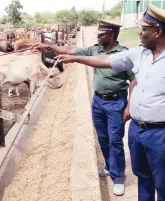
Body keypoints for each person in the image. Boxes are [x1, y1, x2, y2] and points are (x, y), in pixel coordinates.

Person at [38, 5, 165, 201]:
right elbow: (106, 60)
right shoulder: (139, 53)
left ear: (157, 32)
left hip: (164, 134)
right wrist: (75, 58)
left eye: (144, 30)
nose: (140, 34)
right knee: (144, 178)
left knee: (164, 184)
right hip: (137, 131)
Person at [35, 19, 135, 196]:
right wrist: (47, 46)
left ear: (111, 35)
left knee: (116, 140)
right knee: (103, 137)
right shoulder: (94, 49)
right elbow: (68, 50)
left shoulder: (124, 54)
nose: (98, 37)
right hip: (98, 101)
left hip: (116, 102)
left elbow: (134, 79)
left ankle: (118, 177)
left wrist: (130, 104)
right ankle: (109, 166)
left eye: (101, 34)